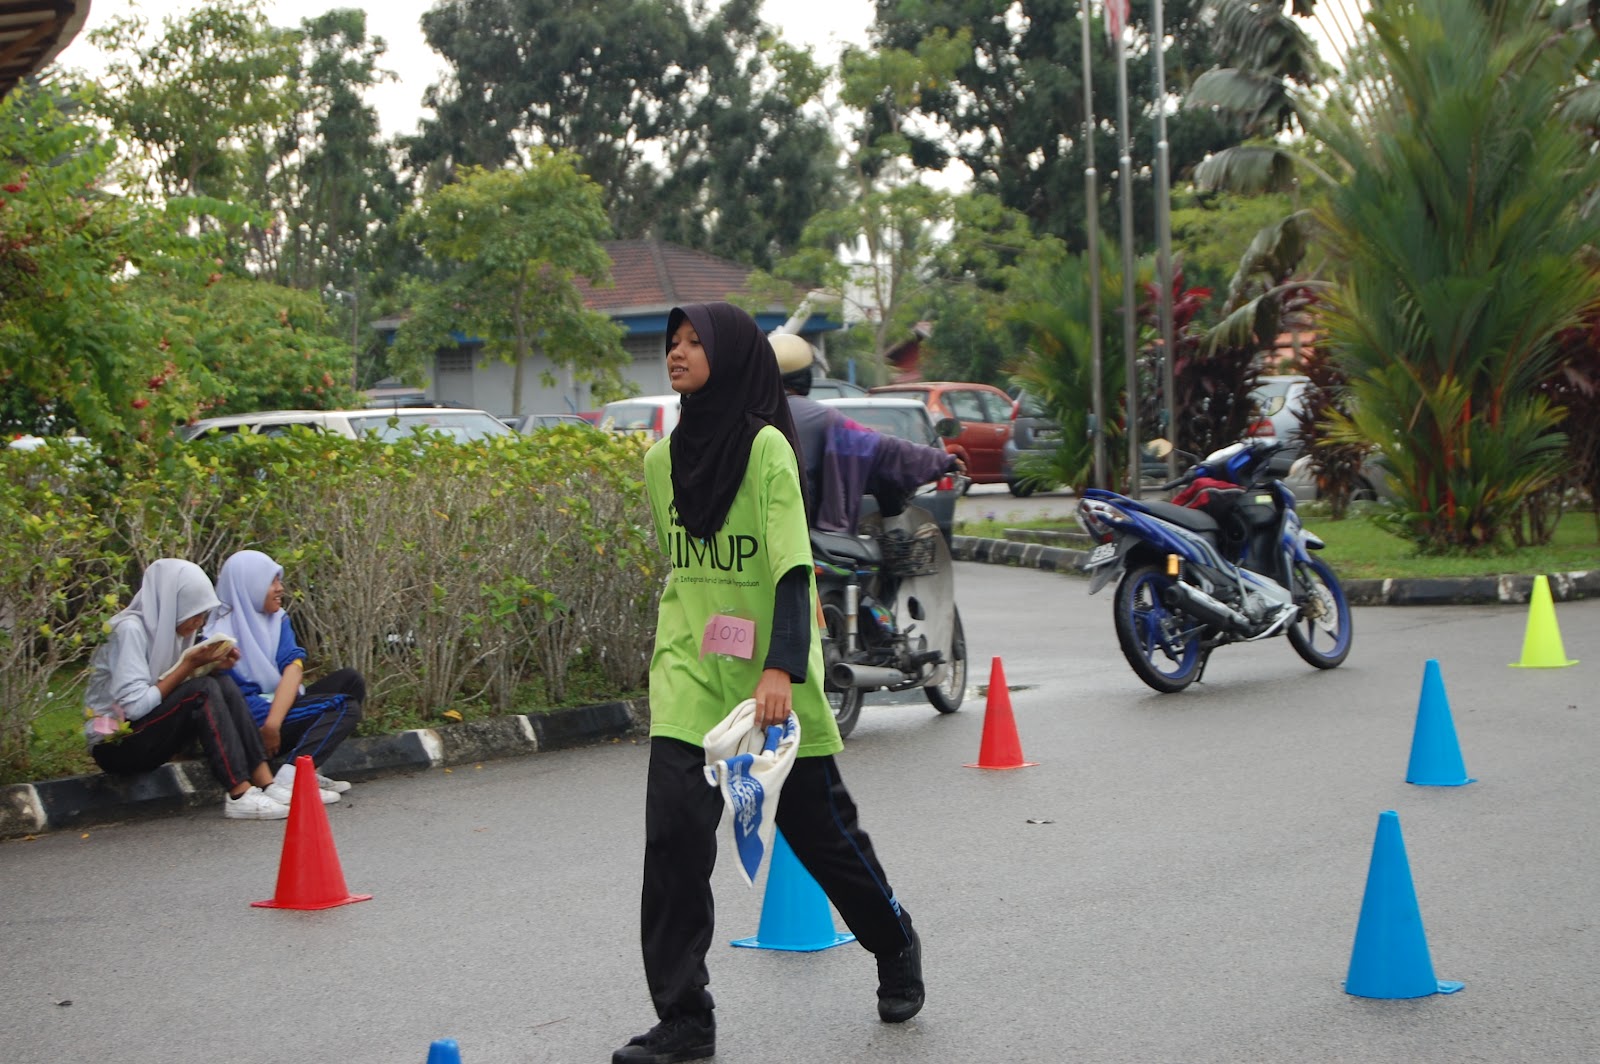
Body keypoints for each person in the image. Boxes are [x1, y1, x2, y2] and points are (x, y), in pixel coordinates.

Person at [614, 303, 924, 1064]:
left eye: (695, 342)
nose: (678, 353)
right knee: (674, 843)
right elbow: (684, 569)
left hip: (770, 677)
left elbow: (791, 567)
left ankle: (893, 940)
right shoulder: (661, 462)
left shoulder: (766, 450)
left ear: (731, 356)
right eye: (672, 342)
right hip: (689, 673)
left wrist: (781, 665)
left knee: (823, 838)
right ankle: (685, 1019)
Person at [84, 559, 289, 820]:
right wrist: (189, 665)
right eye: (194, 614)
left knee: (221, 682)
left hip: (147, 732)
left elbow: (167, 684)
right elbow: (134, 707)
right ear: (174, 607)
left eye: (203, 615)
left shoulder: (172, 631)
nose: (199, 622)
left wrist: (209, 665)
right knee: (202, 690)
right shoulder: (129, 630)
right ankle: (239, 793)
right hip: (114, 745)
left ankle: (265, 781)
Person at [210, 549, 363, 803]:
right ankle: (293, 777)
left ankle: (303, 768)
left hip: (276, 713)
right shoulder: (217, 636)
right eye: (271, 582)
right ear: (249, 585)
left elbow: (293, 667)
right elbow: (239, 700)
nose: (280, 588)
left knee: (350, 681)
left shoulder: (277, 619)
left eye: (279, 580)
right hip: (253, 721)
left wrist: (274, 724)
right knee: (345, 707)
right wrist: (269, 724)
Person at [770, 332, 960, 535]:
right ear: (805, 376)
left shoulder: (749, 415)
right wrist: (943, 461)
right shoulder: (824, 419)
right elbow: (883, 448)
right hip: (811, 534)